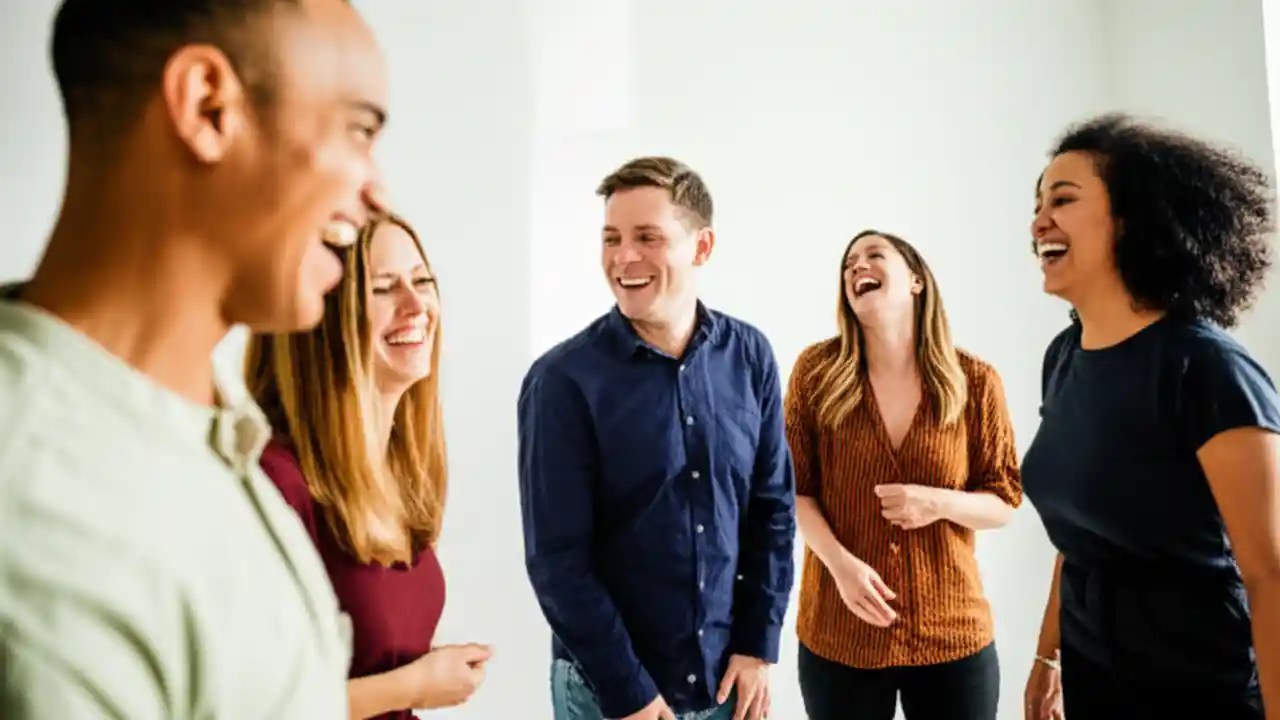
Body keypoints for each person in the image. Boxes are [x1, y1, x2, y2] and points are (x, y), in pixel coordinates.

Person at [0, 0, 388, 717]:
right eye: (358, 130)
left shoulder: (205, 434)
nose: (376, 192)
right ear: (209, 107)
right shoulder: (42, 522)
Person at [517, 156, 796, 720]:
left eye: (648, 237)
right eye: (612, 239)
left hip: (728, 687)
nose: (624, 257)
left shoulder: (750, 357)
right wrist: (631, 693)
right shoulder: (562, 381)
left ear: (702, 247)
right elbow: (557, 562)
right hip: (610, 696)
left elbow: (772, 511)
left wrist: (757, 644)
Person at [1022, 113, 1280, 719]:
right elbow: (1079, 535)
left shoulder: (1206, 367)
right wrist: (1047, 655)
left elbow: (1269, 576)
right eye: (1037, 205)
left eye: (1063, 199)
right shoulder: (1064, 357)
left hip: (1200, 688)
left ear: (1131, 218)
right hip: (1095, 677)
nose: (1039, 222)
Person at [246, 211, 492, 720]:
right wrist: (413, 685)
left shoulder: (396, 472)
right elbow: (252, 707)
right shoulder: (277, 482)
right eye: (383, 288)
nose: (416, 306)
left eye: (422, 281)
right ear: (321, 319)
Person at [784, 229, 1022, 720]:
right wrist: (841, 567)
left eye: (874, 255)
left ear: (916, 281)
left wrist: (938, 503)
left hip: (951, 634)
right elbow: (793, 489)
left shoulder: (976, 381)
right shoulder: (815, 372)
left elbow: (1004, 502)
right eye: (849, 263)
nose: (857, 266)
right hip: (840, 632)